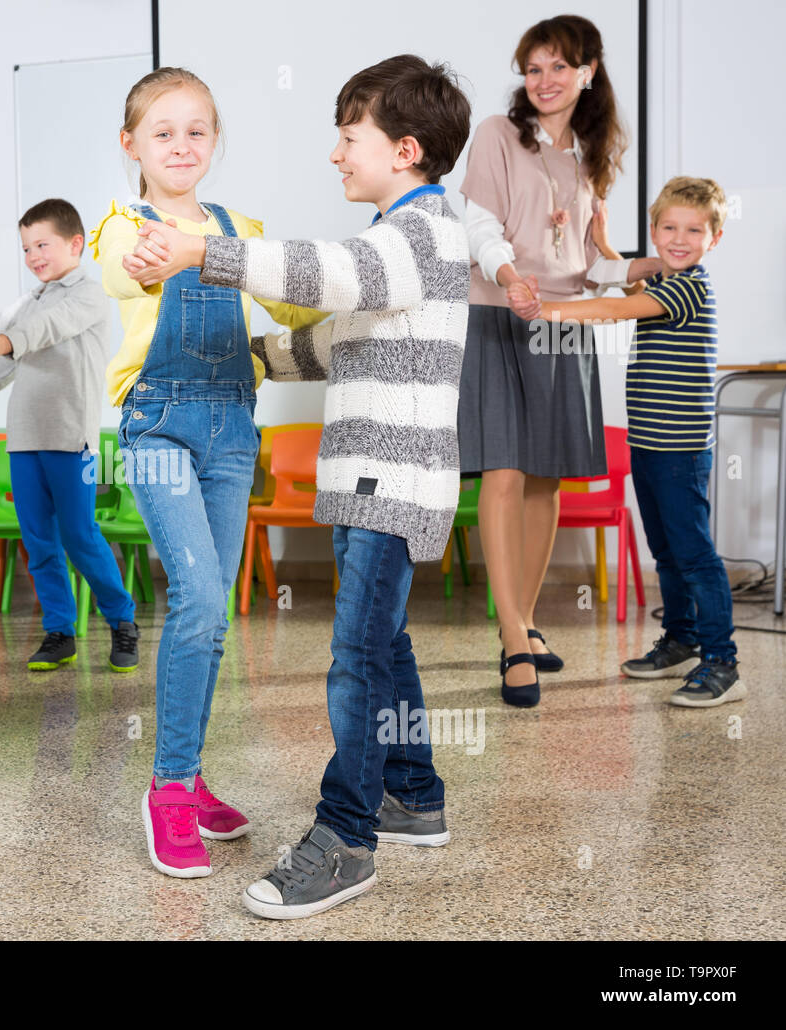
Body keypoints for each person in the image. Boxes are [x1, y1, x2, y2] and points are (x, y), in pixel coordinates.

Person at [131, 54, 471, 919]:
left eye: (348, 138)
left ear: (403, 149)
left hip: (391, 481)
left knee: (355, 658)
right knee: (385, 644)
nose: (335, 155)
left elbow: (336, 275)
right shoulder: (399, 240)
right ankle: (415, 795)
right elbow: (326, 345)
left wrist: (205, 251)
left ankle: (346, 836)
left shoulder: (421, 233)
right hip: (369, 481)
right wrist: (237, 356)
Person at [93, 66, 327, 879]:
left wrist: (358, 285)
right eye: (163, 132)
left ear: (215, 140)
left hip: (234, 430)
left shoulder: (241, 224)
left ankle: (191, 775)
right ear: (132, 145)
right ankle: (164, 790)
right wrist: (206, 256)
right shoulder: (120, 224)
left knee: (215, 611)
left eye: (197, 130)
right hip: (156, 422)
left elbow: (301, 306)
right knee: (195, 597)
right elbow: (132, 269)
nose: (181, 145)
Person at [457, 15, 661, 706]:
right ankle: (513, 640)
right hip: (496, 312)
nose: (543, 81)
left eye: (558, 68)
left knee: (548, 479)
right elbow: (478, 220)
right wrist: (510, 274)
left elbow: (590, 260)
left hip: (563, 324)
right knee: (506, 471)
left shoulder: (592, 153)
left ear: (589, 72)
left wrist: (638, 265)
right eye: (533, 68)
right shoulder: (497, 134)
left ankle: (527, 619)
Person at [517, 177, 744, 708]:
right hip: (649, 442)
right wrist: (607, 247)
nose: (679, 238)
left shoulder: (690, 286)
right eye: (669, 227)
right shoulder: (665, 283)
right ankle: (683, 639)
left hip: (679, 448)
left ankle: (723, 663)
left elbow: (618, 310)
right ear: (655, 230)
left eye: (694, 230)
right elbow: (635, 294)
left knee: (694, 555)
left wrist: (545, 310)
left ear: (714, 237)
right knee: (666, 550)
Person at [0, 198, 140, 673]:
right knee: (38, 540)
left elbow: (44, 329)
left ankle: (122, 621)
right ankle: (60, 633)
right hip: (23, 440)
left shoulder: (89, 295)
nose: (34, 255)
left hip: (69, 439)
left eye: (43, 244)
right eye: (26, 248)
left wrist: (6, 338)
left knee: (80, 536)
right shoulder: (25, 305)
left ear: (75, 243)